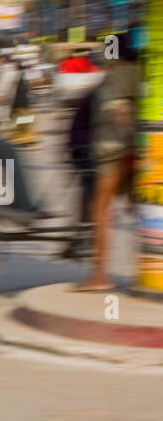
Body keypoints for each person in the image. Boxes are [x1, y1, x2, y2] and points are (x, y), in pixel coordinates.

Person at [72, 35, 138, 290]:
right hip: (134, 152)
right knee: (140, 211)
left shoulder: (114, 76)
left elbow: (120, 113)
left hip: (113, 153)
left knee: (101, 211)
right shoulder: (139, 70)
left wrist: (126, 137)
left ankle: (99, 277)